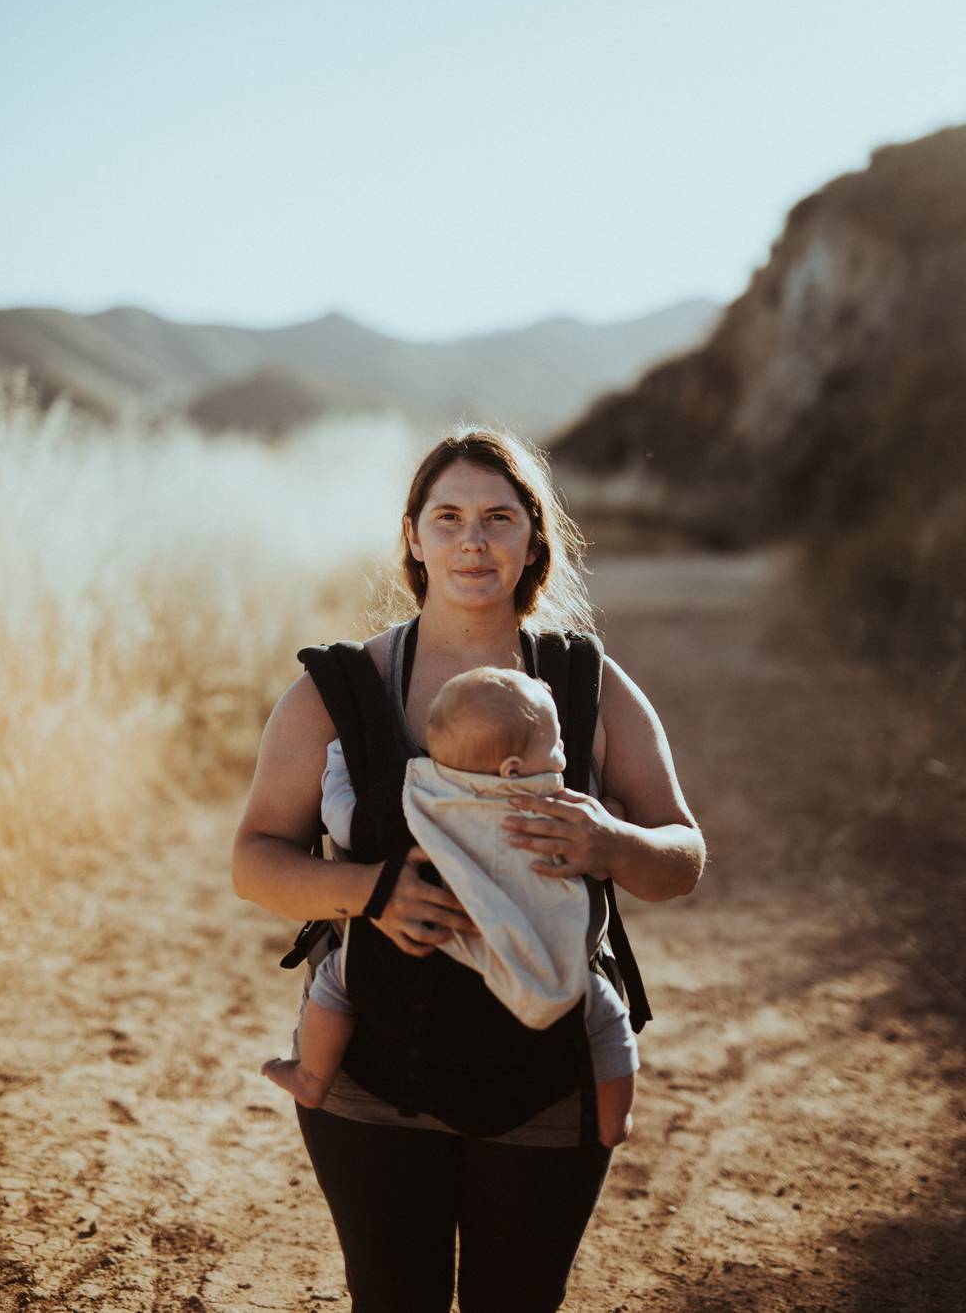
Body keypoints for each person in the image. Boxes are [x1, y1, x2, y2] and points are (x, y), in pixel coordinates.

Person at [232, 428, 705, 1313]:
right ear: (413, 537)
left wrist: (611, 842)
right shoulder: (338, 691)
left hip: (549, 1083)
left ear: (534, 538)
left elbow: (682, 855)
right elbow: (255, 858)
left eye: (498, 518)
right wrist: (368, 893)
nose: (473, 541)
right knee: (391, 1299)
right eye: (447, 518)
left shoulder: (586, 683)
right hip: (370, 1083)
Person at [260, 665, 638, 1147]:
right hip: (530, 949)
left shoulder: (415, 794)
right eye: (556, 744)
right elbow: (601, 859)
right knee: (604, 1014)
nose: (562, 755)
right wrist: (616, 822)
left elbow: (345, 822)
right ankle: (613, 1122)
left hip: (431, 941)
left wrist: (338, 765)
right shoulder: (553, 810)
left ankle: (312, 1076)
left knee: (336, 980)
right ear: (513, 771)